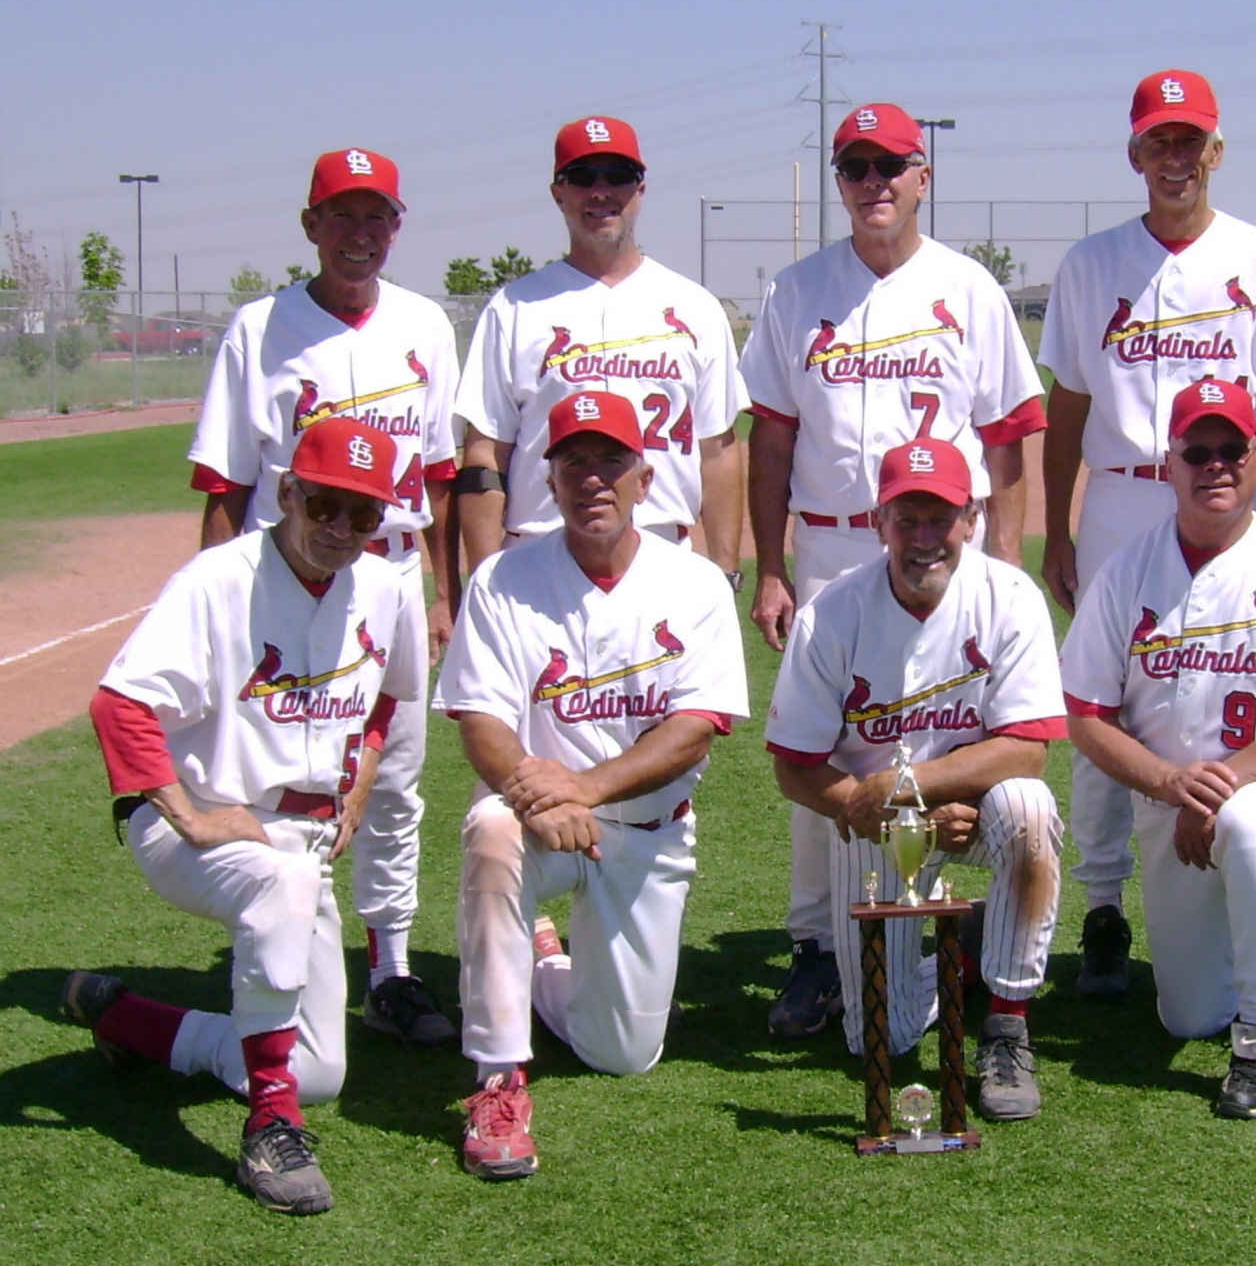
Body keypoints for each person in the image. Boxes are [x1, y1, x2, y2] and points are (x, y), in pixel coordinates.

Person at [744, 103, 1048, 1038]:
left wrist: (1003, 561)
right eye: (855, 166)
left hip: (941, 537)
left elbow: (1007, 437)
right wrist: (770, 566)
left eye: (892, 165)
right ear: (839, 181)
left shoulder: (967, 286)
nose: (874, 181)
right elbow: (772, 436)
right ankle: (817, 947)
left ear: (923, 177)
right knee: (831, 750)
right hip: (836, 539)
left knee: (951, 724)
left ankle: (963, 927)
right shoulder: (798, 290)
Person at [68, 417, 425, 1213]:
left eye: (363, 515)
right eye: (325, 505)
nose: (341, 529)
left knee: (322, 1072)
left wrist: (361, 782)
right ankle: (269, 1128)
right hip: (188, 823)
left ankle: (122, 1017)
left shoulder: (386, 588)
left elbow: (385, 700)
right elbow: (119, 706)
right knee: (280, 882)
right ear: (288, 493)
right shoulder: (218, 579)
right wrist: (191, 816)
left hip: (303, 834)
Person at [1039, 70, 1256, 997]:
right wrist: (1060, 528)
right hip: (1123, 496)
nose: (1176, 157)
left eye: (1190, 140)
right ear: (1135, 154)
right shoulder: (1091, 263)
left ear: (1217, 150)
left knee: (1233, 681)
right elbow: (1069, 404)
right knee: (1104, 699)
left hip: (1225, 488)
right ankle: (1101, 905)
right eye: (1158, 141)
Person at [437, 391, 747, 1180]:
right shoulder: (505, 580)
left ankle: (542, 960)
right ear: (549, 478)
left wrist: (584, 787)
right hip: (538, 821)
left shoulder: (695, 583)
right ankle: (500, 1079)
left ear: (646, 477)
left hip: (644, 830)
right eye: (574, 462)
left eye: (611, 462)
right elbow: (479, 718)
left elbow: (697, 726)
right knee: (490, 832)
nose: (593, 480)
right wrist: (539, 793)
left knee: (623, 1054)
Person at [187, 147, 458, 1047]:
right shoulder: (257, 328)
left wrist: (442, 591)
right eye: (341, 215)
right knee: (279, 771)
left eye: (376, 215)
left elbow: (443, 477)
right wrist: (220, 607)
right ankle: (271, 944)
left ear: (397, 225)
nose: (359, 233)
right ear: (310, 226)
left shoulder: (424, 325)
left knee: (397, 782)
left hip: (387, 572)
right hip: (281, 576)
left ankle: (390, 966)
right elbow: (226, 484)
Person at [1062, 381, 1256, 1119]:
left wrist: (1216, 790)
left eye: (1232, 450)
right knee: (1187, 1017)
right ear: (1170, 462)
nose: (1215, 465)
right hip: (1168, 798)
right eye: (1198, 450)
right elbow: (1085, 713)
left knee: (1249, 831)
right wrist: (1166, 783)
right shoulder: (1129, 569)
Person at [765, 438, 1066, 1121]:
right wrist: (879, 811)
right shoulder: (832, 614)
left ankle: (1008, 1021)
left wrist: (908, 786)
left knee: (1029, 807)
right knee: (881, 1036)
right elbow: (794, 764)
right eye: (908, 519)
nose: (925, 538)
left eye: (941, 518)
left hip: (970, 812)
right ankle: (969, 953)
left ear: (972, 518)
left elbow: (1028, 750)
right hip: (872, 828)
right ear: (879, 522)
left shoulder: (1009, 597)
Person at [453, 114, 745, 584]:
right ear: (558, 192)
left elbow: (718, 449)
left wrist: (727, 567)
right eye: (584, 178)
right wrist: (486, 578)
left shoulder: (695, 307)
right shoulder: (514, 307)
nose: (601, 192)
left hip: (662, 550)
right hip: (538, 552)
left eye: (619, 177)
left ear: (641, 189)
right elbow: (486, 453)